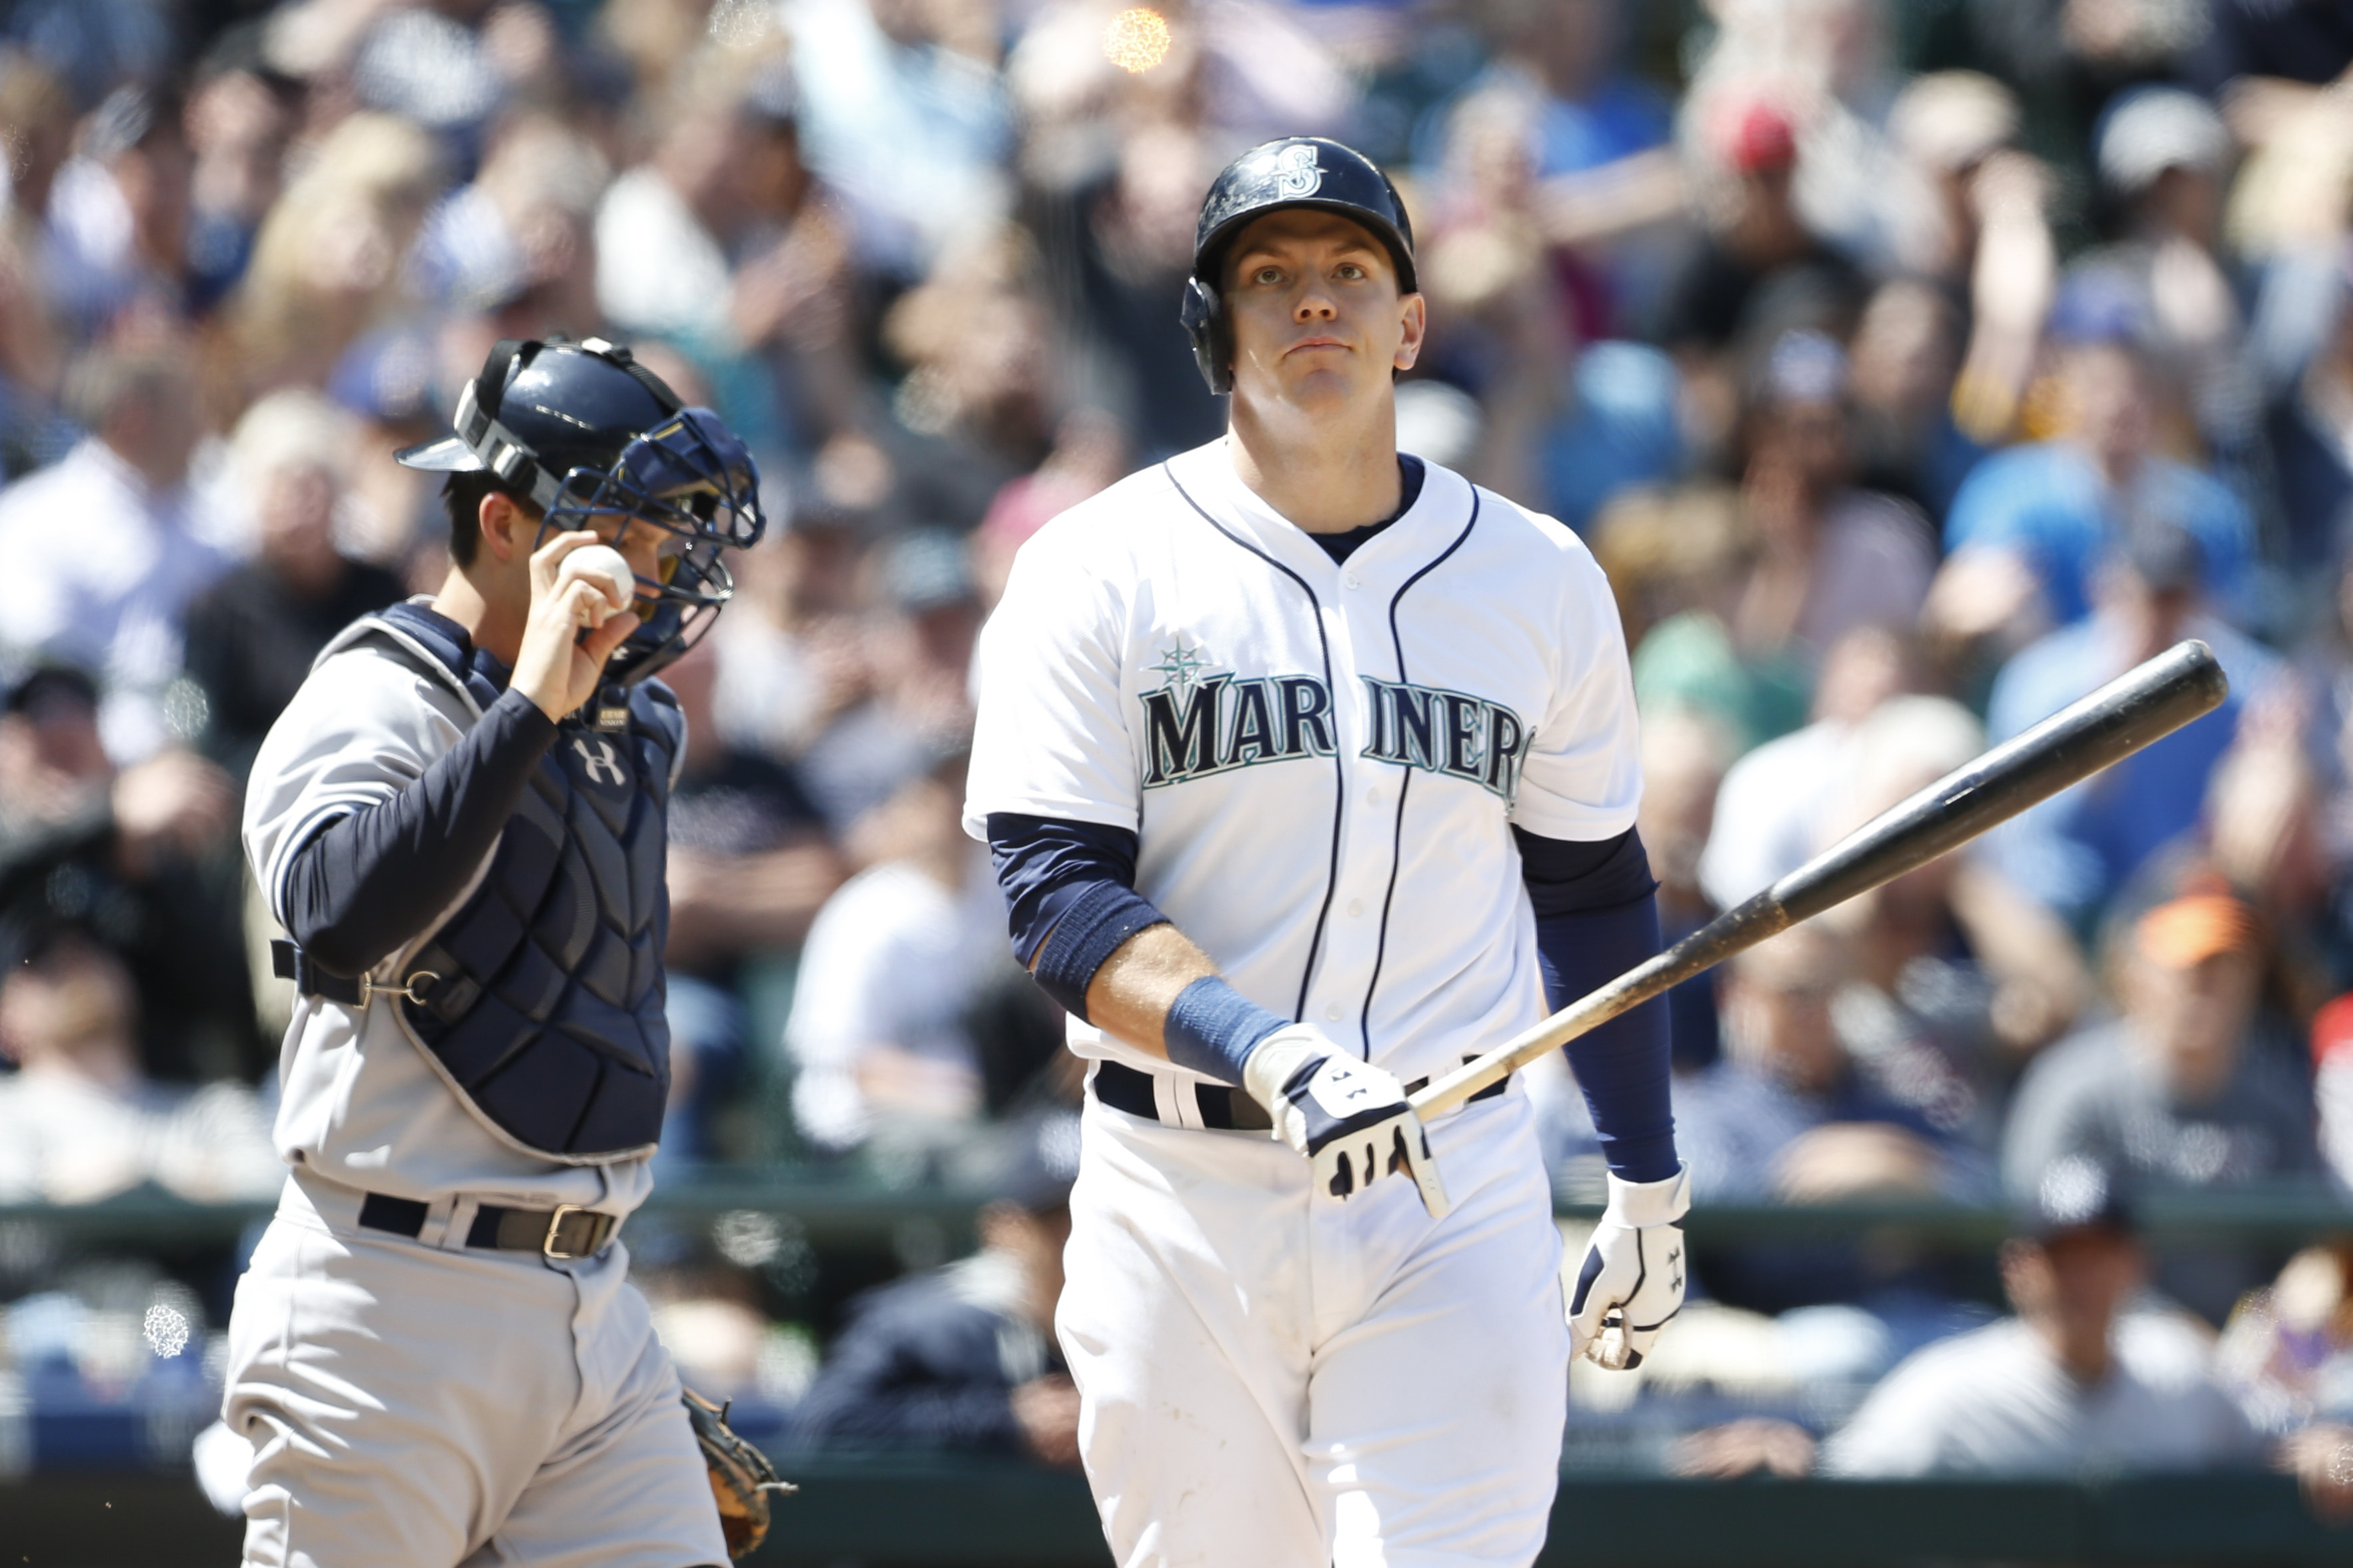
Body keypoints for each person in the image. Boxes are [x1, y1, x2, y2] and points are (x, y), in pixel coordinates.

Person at [965, 137, 1685, 1567]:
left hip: (1450, 1182)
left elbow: (1595, 891)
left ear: (1410, 323)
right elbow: (1053, 901)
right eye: (1270, 276)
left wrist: (1648, 1176)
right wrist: (1271, 1049)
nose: (1314, 304)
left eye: (1352, 271)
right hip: (1181, 1192)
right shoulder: (1096, 566)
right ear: (1213, 327)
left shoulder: (1536, 577)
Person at [221, 336, 769, 1567]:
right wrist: (525, 711)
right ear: (508, 522)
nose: (665, 562)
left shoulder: (636, 718)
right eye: (630, 528)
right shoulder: (376, 692)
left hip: (590, 1306)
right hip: (388, 1301)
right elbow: (334, 914)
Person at [1677, 1162, 2268, 1479]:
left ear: (2135, 1266)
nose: (2078, 1281)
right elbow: (1840, 1476)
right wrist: (1782, 1453)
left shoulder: (2181, 1371)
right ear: (2017, 1269)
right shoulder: (1954, 1387)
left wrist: (2335, 1455)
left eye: (2096, 1257)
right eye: (2060, 1259)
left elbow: (2286, 1457)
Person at [2004, 890, 2327, 1323]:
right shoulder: (2077, 1090)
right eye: (2188, 969)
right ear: (2135, 978)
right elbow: (2043, 1246)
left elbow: (2307, 1249)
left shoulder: (2275, 1101)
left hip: (2247, 1344)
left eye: (2226, 968)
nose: (2207, 985)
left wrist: (2279, 1319)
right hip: (2110, 1339)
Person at [790, 1112, 1082, 1464]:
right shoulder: (923, 1326)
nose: (1082, 1236)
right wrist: (1004, 1418)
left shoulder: (1155, 1319)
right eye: (1060, 1220)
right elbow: (826, 1424)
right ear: (1004, 1228)